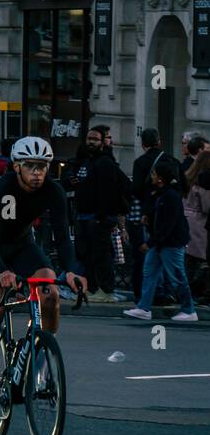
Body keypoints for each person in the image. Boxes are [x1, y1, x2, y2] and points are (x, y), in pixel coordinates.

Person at [0, 137, 86, 406]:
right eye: (31, 166)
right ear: (16, 167)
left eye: (43, 167)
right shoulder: (1, 187)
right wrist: (1, 271)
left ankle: (44, 359)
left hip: (23, 245)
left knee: (50, 295)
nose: (37, 173)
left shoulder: (53, 191)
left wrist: (70, 271)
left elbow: (62, 236)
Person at [124, 160, 199, 322]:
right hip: (161, 241)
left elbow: (167, 225)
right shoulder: (163, 193)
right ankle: (144, 308)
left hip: (170, 243)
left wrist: (151, 242)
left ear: (160, 178)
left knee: (176, 275)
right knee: (150, 272)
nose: (151, 176)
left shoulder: (169, 196)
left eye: (154, 174)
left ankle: (189, 309)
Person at [71, 126, 130, 305]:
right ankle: (94, 288)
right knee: (88, 256)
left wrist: (102, 216)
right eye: (89, 138)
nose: (90, 142)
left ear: (103, 141)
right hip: (86, 216)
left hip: (97, 218)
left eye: (95, 139)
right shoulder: (88, 161)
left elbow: (109, 191)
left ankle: (106, 290)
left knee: (101, 256)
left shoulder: (104, 163)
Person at [130, 128, 183, 307]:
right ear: (159, 141)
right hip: (170, 210)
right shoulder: (172, 160)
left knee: (152, 255)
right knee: (166, 255)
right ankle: (166, 293)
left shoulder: (140, 162)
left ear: (143, 144)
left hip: (149, 212)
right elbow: (182, 185)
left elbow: (136, 188)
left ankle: (154, 296)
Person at [182, 150, 210, 299]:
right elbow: (206, 206)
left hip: (186, 218)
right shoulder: (203, 183)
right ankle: (197, 291)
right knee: (201, 259)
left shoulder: (188, 178)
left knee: (188, 259)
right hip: (199, 222)